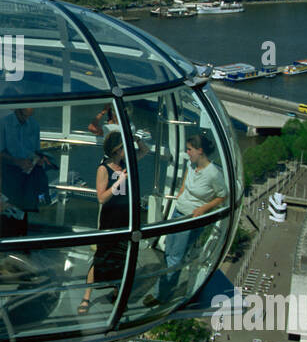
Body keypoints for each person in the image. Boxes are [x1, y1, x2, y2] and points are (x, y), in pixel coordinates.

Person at [145, 133, 227, 306]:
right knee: (168, 251)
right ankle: (165, 289)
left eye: (190, 150)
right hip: (177, 213)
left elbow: (222, 196)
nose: (187, 153)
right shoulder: (191, 164)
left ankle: (161, 295)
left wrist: (203, 208)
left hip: (190, 220)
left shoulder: (213, 174)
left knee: (175, 257)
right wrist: (181, 194)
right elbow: (185, 180)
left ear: (200, 150)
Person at [78, 133, 133, 315]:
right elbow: (101, 198)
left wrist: (137, 139)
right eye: (124, 146)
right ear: (117, 149)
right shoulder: (103, 169)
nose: (127, 150)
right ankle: (86, 296)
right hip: (111, 218)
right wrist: (119, 182)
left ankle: (117, 292)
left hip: (125, 217)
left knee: (122, 257)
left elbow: (144, 151)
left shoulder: (125, 163)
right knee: (101, 257)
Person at [0, 108, 55, 233]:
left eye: (28, 116)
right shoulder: (4, 124)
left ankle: (22, 236)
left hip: (28, 172)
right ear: (17, 110)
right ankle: (9, 237)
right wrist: (16, 161)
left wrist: (39, 159)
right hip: (9, 172)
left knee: (24, 208)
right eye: (23, 116)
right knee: (9, 208)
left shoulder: (34, 124)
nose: (26, 120)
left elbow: (36, 150)